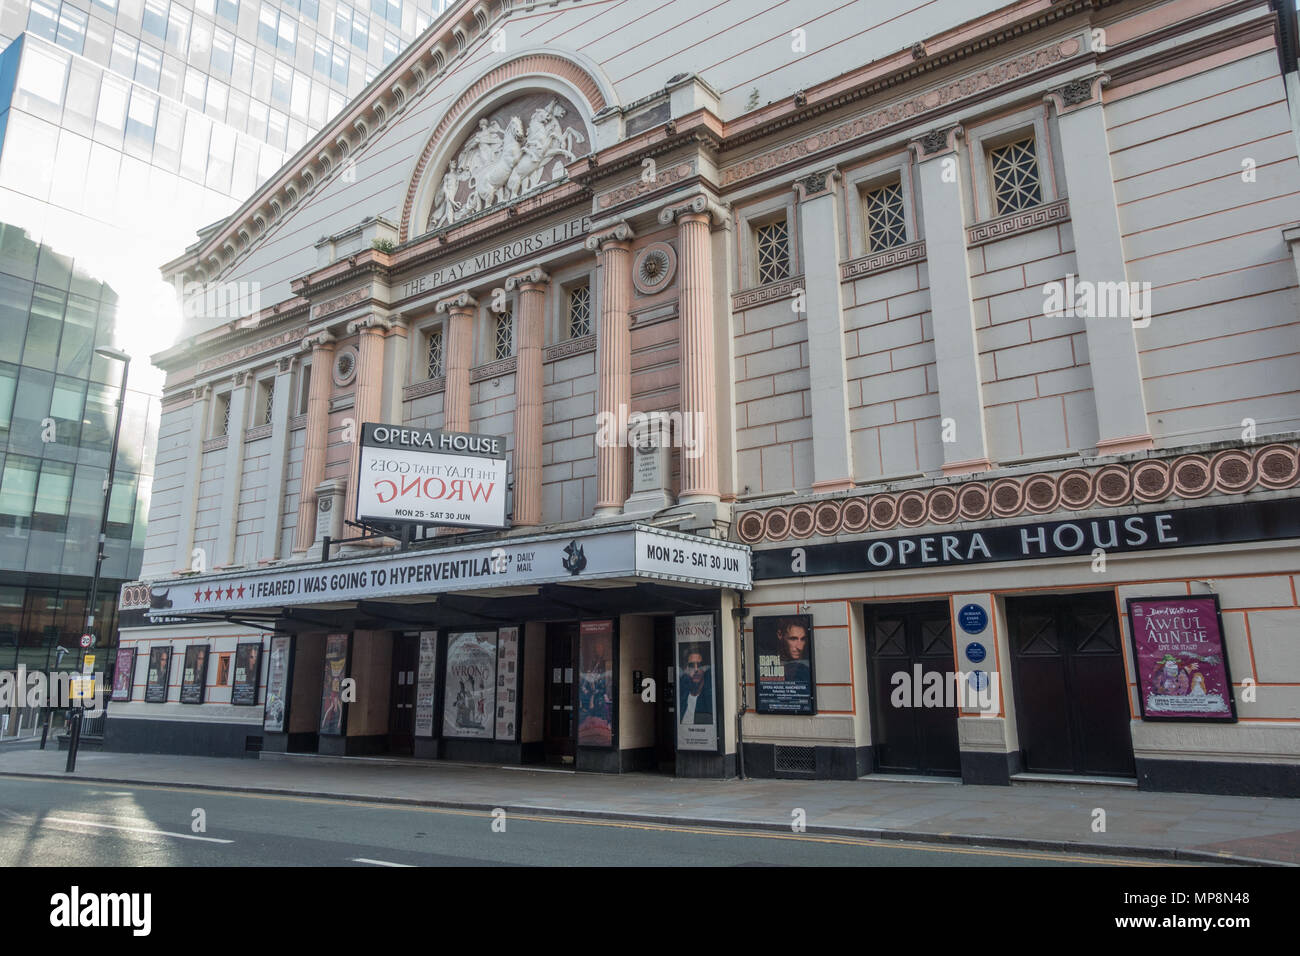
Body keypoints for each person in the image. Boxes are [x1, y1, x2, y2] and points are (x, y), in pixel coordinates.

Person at [678, 645, 713, 725]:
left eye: (699, 665)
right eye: (691, 665)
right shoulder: (682, 696)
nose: (696, 669)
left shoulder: (709, 698)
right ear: (685, 669)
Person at [774, 617, 811, 683]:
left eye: (803, 639)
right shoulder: (764, 668)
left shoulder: (807, 668)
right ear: (780, 635)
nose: (800, 647)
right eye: (793, 639)